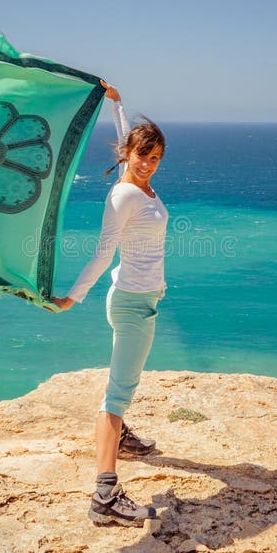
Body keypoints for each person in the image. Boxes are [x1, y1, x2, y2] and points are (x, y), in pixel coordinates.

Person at [52, 81, 168, 526]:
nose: (148, 165)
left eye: (155, 158)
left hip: (143, 298)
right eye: (143, 156)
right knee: (116, 395)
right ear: (127, 155)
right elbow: (103, 251)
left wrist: (118, 105)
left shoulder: (142, 186)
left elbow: (128, 141)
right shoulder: (123, 195)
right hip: (132, 303)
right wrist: (71, 298)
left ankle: (117, 440)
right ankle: (104, 494)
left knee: (126, 381)